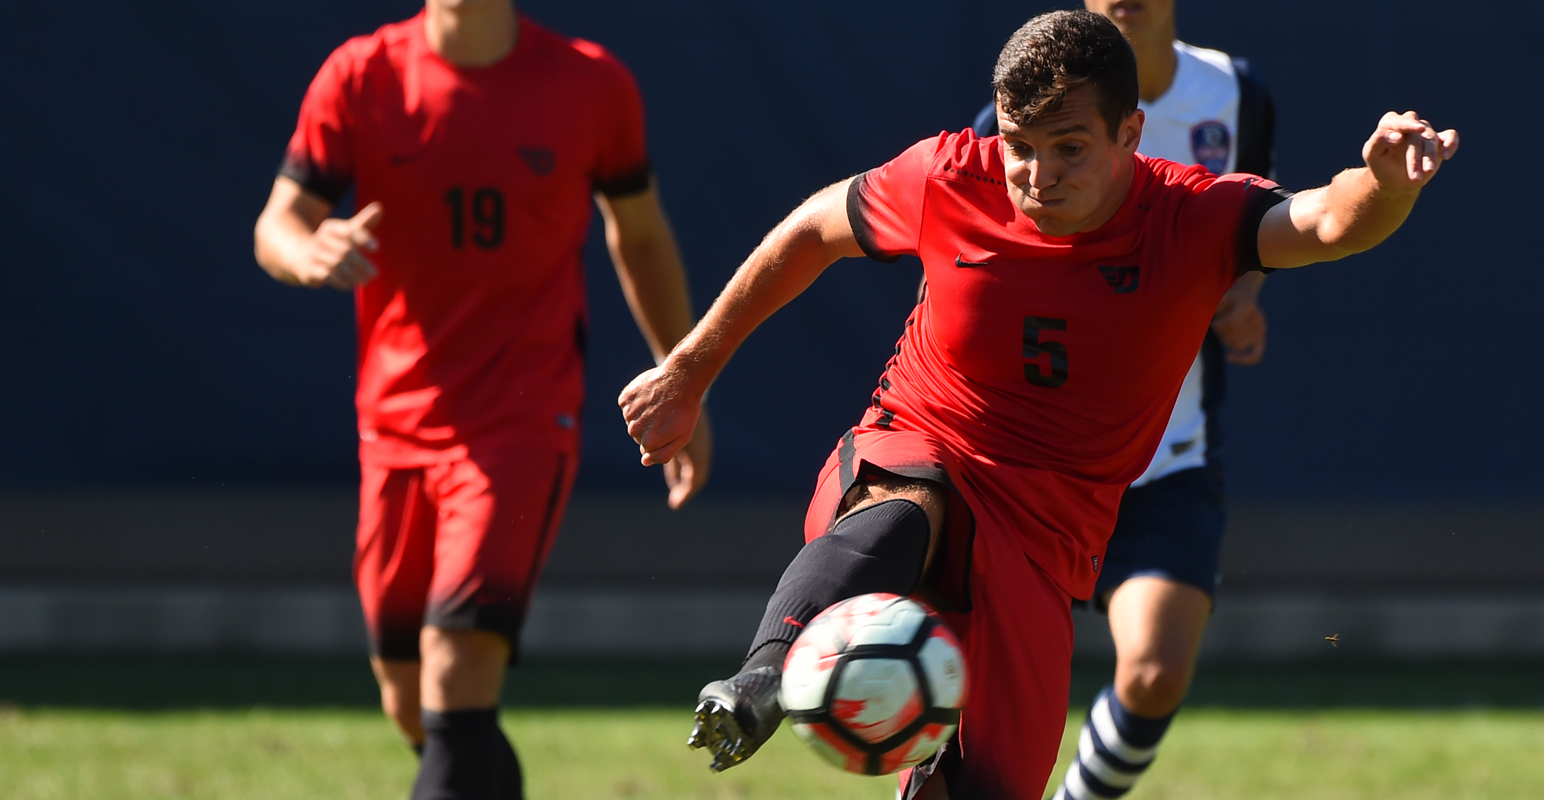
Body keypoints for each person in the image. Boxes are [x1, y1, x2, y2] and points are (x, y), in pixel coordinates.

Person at [619, 9, 1456, 799]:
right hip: (922, 443)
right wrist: (691, 367)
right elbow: (812, 229)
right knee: (910, 499)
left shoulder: (1190, 216)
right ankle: (767, 674)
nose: (1037, 175)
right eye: (1022, 145)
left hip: (1046, 540)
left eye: (1068, 148)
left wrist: (1386, 186)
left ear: (1129, 133)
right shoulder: (954, 175)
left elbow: (1323, 225)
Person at [251, 1, 711, 797]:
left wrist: (686, 375)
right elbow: (278, 223)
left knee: (456, 675)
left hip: (521, 423)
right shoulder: (360, 76)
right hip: (393, 426)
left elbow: (637, 234)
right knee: (412, 704)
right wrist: (307, 251)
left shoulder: (590, 85)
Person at [975, 1, 1275, 795]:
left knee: (1153, 671)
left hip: (1164, 456)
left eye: (1072, 146)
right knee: (969, 695)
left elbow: (1255, 228)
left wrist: (1242, 298)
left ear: (1131, 133)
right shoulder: (1018, 115)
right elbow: (974, 256)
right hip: (1034, 468)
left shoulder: (1235, 95)